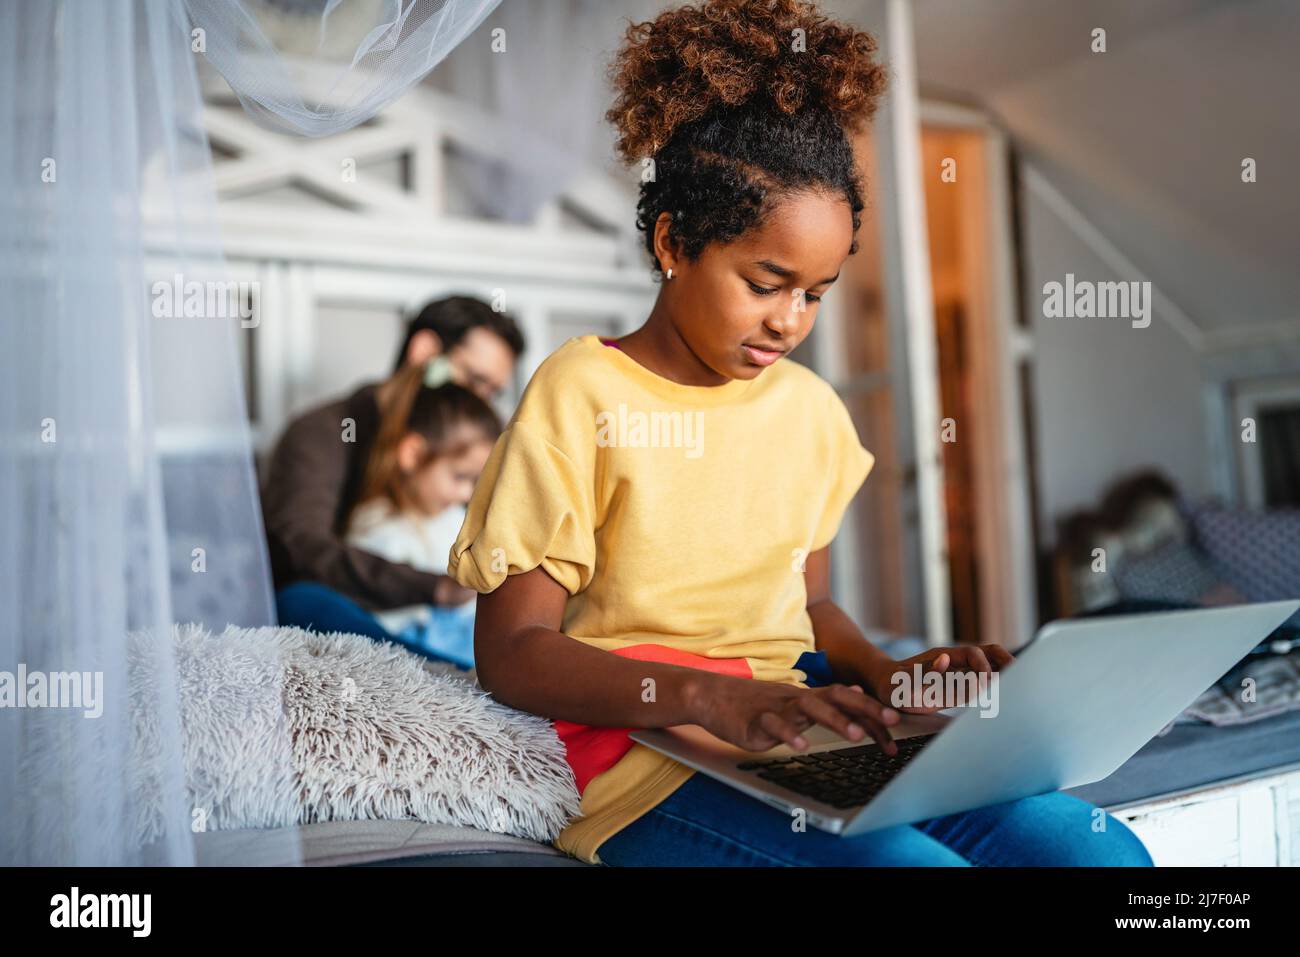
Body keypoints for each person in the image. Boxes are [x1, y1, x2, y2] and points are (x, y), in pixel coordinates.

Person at [446, 0, 1153, 867]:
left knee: (1097, 854)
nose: (789, 320)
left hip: (799, 725)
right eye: (766, 280)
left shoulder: (810, 410)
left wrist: (888, 674)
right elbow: (512, 654)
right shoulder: (579, 390)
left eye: (815, 293)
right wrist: (710, 699)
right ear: (675, 241)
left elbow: (810, 610)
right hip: (645, 757)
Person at [263, 295, 524, 639]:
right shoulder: (320, 433)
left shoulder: (468, 449)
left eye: (493, 393)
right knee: (300, 600)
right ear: (425, 351)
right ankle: (439, 672)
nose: (480, 403)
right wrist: (437, 588)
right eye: (476, 380)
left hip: (445, 621)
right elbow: (303, 549)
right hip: (353, 610)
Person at [344, 357, 501, 667]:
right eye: (460, 477)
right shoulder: (376, 527)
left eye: (475, 482)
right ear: (413, 454)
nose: (466, 493)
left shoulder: (456, 517)